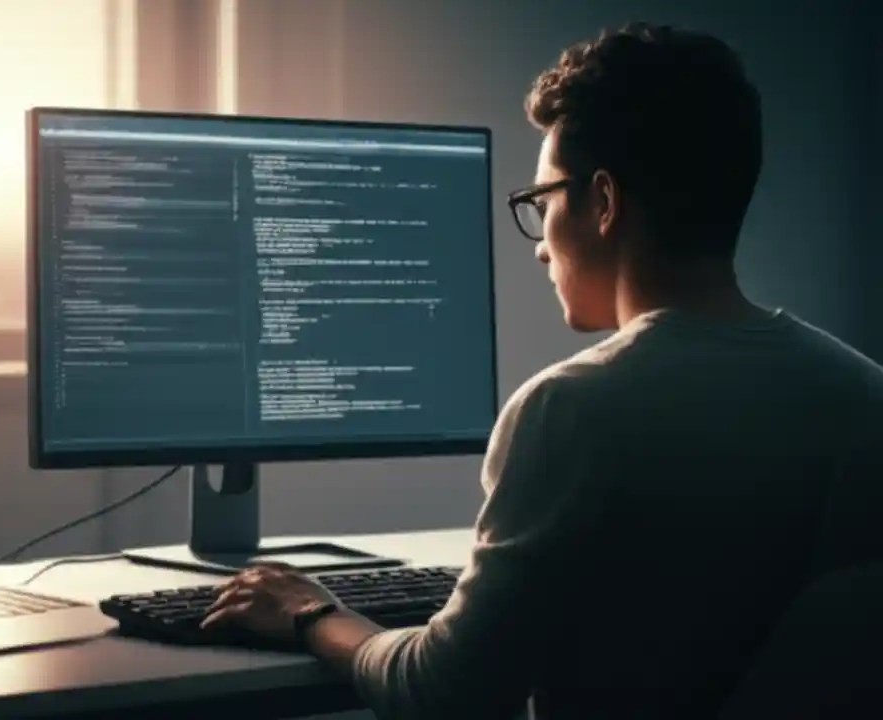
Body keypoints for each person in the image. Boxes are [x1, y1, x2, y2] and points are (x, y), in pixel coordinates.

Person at [199, 22, 883, 719]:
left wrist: (311, 612)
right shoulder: (864, 392)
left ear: (604, 202)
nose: (539, 247)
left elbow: (443, 693)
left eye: (544, 201)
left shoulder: (571, 409)